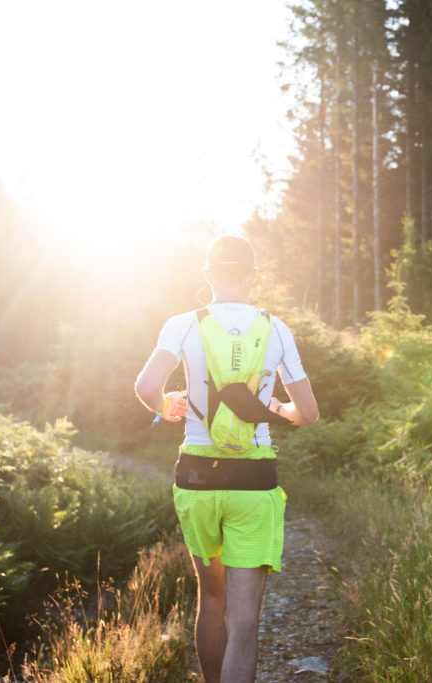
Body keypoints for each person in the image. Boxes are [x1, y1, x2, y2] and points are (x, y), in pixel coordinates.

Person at [134, 235, 318, 683]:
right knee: (244, 620)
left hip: (197, 477)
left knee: (210, 600)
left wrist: (165, 406)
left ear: (208, 275)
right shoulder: (276, 328)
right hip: (253, 481)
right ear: (254, 275)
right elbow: (307, 413)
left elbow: (144, 386)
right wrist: (276, 409)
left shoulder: (181, 323)